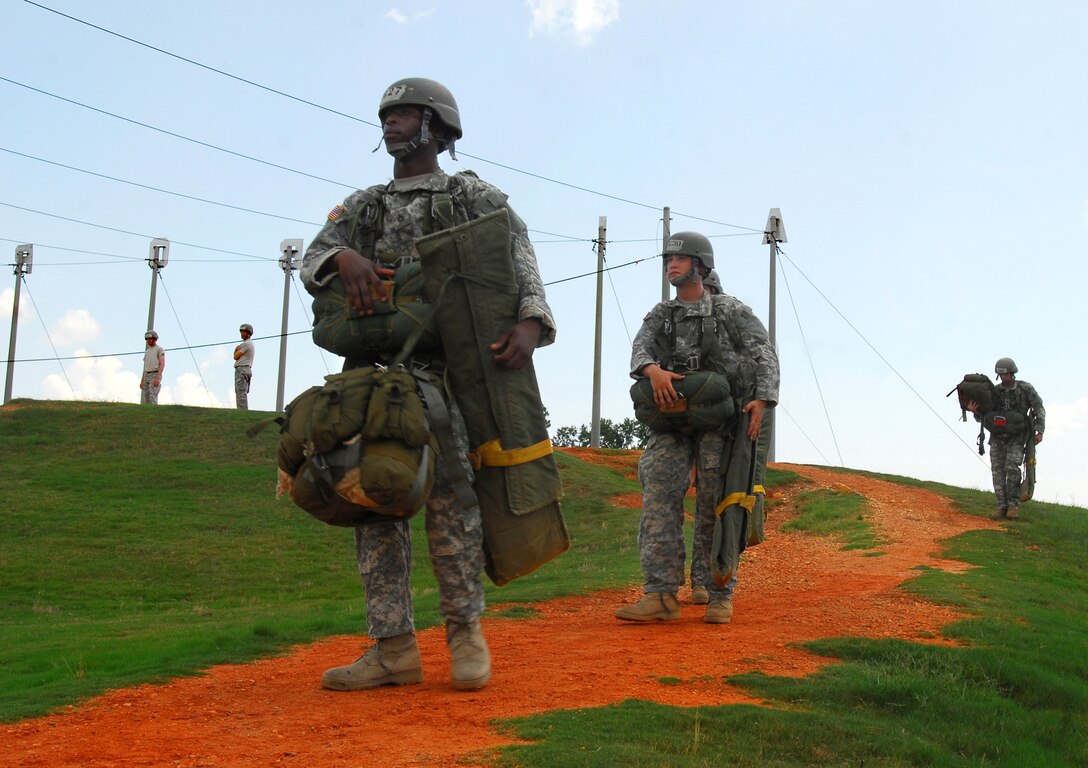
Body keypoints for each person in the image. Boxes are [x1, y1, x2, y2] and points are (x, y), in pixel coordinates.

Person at [300, 77, 555, 692]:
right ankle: (392, 649)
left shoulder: (476, 196)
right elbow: (313, 260)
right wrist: (344, 260)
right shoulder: (364, 206)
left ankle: (466, 635)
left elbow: (520, 264)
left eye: (403, 113)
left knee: (454, 509)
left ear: (435, 125)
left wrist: (529, 324)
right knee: (374, 504)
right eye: (385, 114)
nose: (389, 122)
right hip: (374, 382)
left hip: (448, 380)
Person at [617, 232, 779, 624]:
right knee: (658, 486)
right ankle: (660, 594)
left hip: (718, 421)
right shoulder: (662, 314)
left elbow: (764, 354)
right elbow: (640, 349)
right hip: (671, 418)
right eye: (668, 258)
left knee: (714, 500)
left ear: (700, 265)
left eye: (680, 257)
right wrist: (652, 371)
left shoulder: (730, 311)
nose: (671, 263)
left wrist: (763, 398)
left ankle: (718, 590)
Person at [967, 357, 1044, 520]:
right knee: (997, 471)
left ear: (1012, 373)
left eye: (1006, 375)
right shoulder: (994, 392)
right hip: (997, 437)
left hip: (1017, 437)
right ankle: (1001, 506)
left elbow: (1038, 408)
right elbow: (986, 416)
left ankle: (1013, 506)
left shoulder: (1025, 389)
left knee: (1012, 468)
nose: (1004, 378)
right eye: (1001, 375)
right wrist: (975, 412)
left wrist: (1039, 430)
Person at [139, 330, 165, 404]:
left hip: (155, 374)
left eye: (150, 339)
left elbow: (162, 364)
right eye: (147, 339)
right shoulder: (147, 352)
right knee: (146, 396)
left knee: (152, 396)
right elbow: (145, 367)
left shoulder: (159, 349)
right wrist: (142, 380)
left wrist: (157, 377)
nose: (149, 341)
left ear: (155, 339)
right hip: (147, 374)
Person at [233, 323, 255, 410]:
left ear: (248, 333)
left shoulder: (246, 344)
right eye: (241, 331)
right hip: (247, 369)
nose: (242, 333)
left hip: (242, 369)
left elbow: (235, 356)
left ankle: (242, 410)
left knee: (240, 392)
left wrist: (235, 350)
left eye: (244, 332)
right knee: (243, 392)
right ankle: (243, 410)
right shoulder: (249, 344)